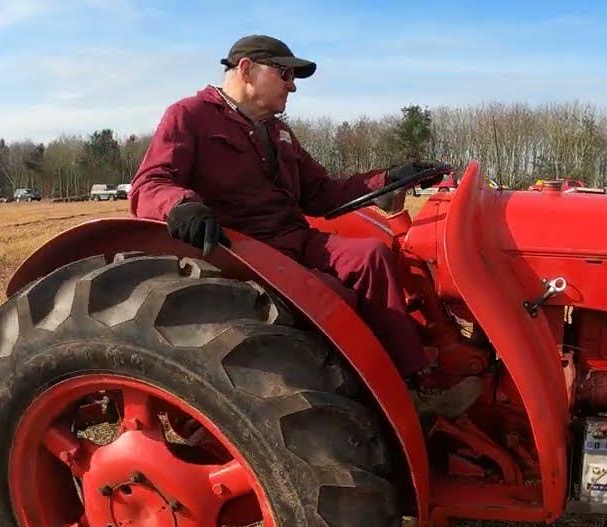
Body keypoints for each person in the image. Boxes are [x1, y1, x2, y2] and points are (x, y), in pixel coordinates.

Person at [130, 35, 482, 418]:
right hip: (245, 251)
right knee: (332, 298)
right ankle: (362, 403)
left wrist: (389, 178)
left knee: (372, 256)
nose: (292, 85)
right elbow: (150, 183)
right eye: (285, 73)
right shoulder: (190, 116)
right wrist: (181, 206)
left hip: (295, 239)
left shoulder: (278, 133)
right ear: (247, 69)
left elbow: (322, 192)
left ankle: (415, 385)